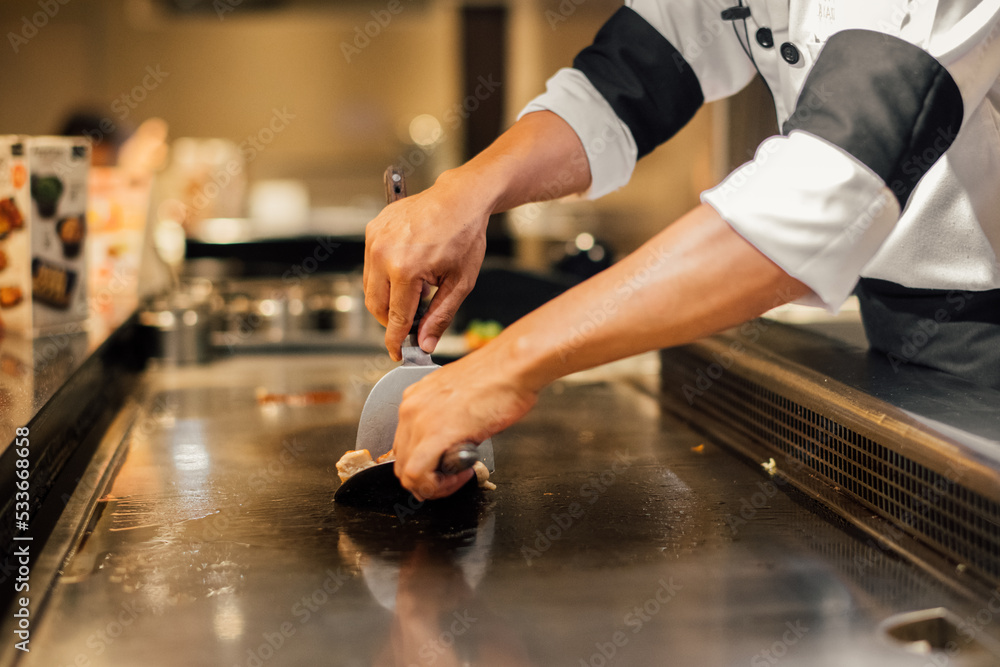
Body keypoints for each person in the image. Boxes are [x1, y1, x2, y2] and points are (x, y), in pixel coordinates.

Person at [363, 0, 1000, 500]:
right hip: (901, 324)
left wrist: (508, 364)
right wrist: (468, 191)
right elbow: (619, 87)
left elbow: (817, 200)